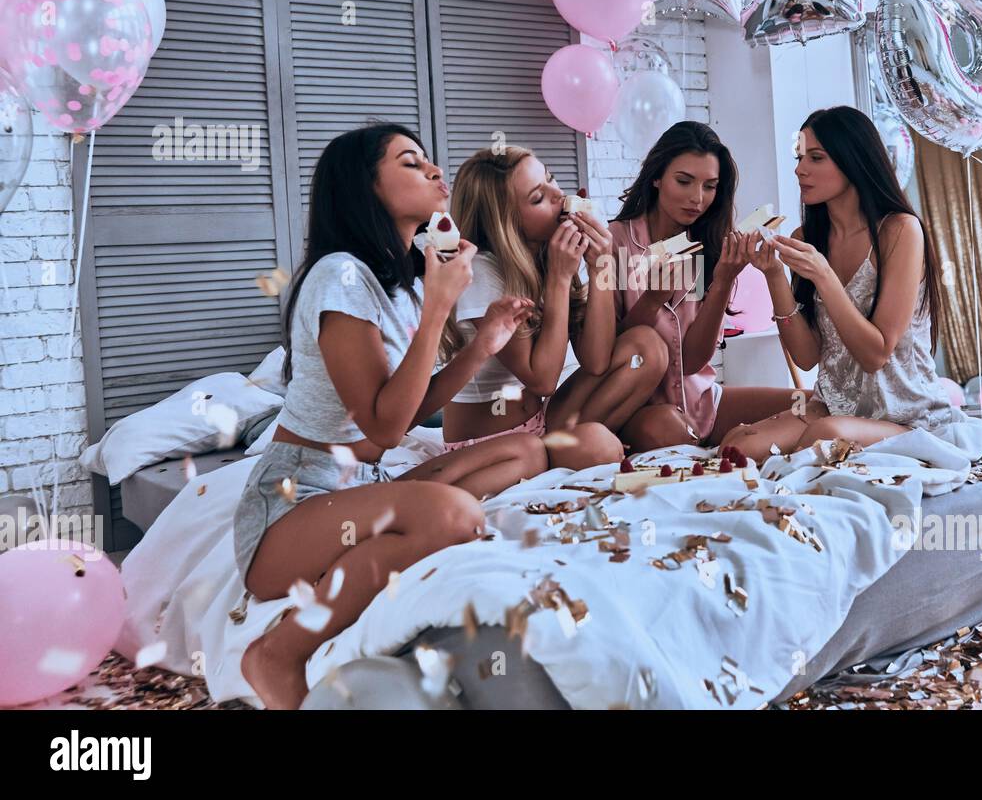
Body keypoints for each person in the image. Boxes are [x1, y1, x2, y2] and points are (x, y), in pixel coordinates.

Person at [233, 123, 547, 710]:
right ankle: (280, 651)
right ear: (365, 188)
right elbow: (383, 428)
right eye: (410, 162)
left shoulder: (397, 284)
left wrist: (483, 343)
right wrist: (438, 308)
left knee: (527, 450)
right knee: (454, 515)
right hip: (294, 501)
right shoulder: (340, 276)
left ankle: (403, 526)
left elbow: (404, 410)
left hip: (362, 483)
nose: (434, 171)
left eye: (429, 160)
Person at [720, 106, 982, 463]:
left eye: (816, 158)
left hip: (905, 414)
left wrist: (824, 276)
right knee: (738, 445)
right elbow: (807, 357)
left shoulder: (900, 231)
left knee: (826, 436)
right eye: (799, 158)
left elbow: (876, 354)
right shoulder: (807, 238)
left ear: (852, 160)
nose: (800, 169)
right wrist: (774, 276)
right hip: (831, 407)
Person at [439, 145, 665, 467]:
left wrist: (601, 266)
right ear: (505, 222)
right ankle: (580, 447)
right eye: (538, 198)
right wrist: (559, 279)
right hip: (489, 444)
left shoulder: (546, 255)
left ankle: (577, 445)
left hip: (540, 423)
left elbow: (597, 360)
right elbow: (542, 380)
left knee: (646, 347)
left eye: (551, 179)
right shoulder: (483, 273)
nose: (559, 195)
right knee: (600, 447)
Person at [608, 121, 807, 452]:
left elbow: (693, 359)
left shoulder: (706, 247)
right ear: (656, 177)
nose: (697, 199)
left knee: (811, 404)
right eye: (684, 181)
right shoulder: (616, 241)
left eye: (710, 186)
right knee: (670, 430)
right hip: (637, 410)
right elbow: (609, 355)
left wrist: (724, 280)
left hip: (700, 403)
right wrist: (652, 301)